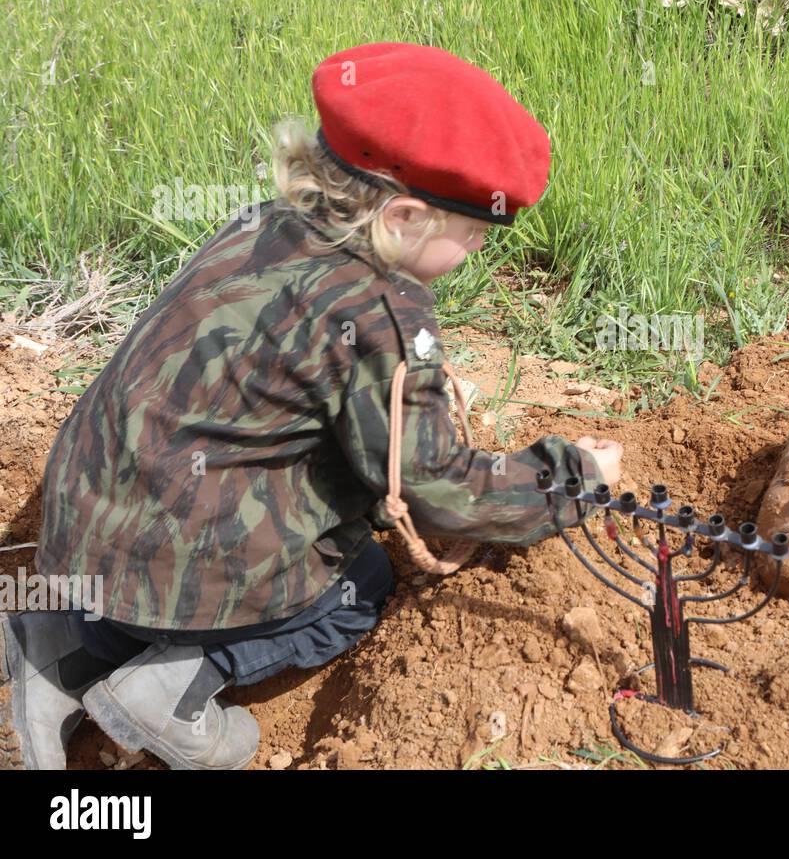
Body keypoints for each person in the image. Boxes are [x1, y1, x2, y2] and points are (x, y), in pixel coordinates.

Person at [0, 42, 624, 770]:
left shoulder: (262, 222)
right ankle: (169, 689)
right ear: (407, 215)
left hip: (82, 533)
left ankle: (65, 645)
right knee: (361, 582)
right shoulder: (384, 312)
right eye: (475, 234)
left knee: (207, 532)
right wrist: (574, 474)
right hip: (176, 570)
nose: (476, 251)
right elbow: (443, 499)